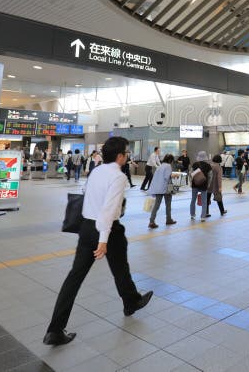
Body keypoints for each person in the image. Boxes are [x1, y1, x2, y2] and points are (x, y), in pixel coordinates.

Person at [43, 137, 153, 346]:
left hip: (85, 229)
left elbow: (88, 195)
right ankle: (131, 301)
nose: (127, 156)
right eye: (127, 153)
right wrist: (103, 240)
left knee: (74, 278)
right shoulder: (118, 176)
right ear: (120, 155)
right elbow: (109, 210)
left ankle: (55, 329)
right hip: (107, 231)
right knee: (120, 266)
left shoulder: (97, 171)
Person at [148, 154, 176, 228]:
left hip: (158, 188)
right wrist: (173, 175)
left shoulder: (160, 166)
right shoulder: (168, 166)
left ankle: (151, 221)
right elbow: (167, 177)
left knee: (156, 206)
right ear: (170, 160)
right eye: (172, 160)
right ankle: (168, 219)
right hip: (165, 188)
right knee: (168, 205)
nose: (172, 162)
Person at [190, 151, 213, 221]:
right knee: (204, 201)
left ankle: (192, 215)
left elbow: (190, 174)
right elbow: (210, 176)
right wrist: (208, 184)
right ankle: (203, 217)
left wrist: (191, 183)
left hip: (195, 184)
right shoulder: (208, 165)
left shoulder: (194, 164)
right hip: (204, 184)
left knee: (193, 200)